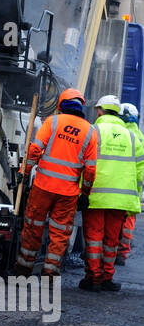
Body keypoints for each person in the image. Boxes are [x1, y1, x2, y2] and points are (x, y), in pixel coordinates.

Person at [15, 87, 98, 279]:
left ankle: (22, 270)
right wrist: (85, 193)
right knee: (60, 234)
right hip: (68, 194)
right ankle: (50, 273)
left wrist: (24, 172)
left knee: (33, 227)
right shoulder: (90, 132)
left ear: (61, 105)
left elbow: (34, 150)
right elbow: (91, 169)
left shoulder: (53, 122)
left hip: (43, 187)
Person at [80, 94, 144, 292]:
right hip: (121, 200)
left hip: (96, 196)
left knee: (94, 238)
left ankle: (94, 278)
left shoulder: (93, 131)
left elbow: (82, 163)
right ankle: (107, 277)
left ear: (100, 110)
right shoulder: (133, 137)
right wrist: (133, 199)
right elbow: (140, 172)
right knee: (111, 241)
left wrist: (81, 192)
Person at [117, 102, 144, 264]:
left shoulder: (124, 134)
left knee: (114, 224)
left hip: (120, 185)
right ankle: (122, 253)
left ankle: (112, 253)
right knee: (128, 225)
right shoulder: (139, 135)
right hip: (133, 190)